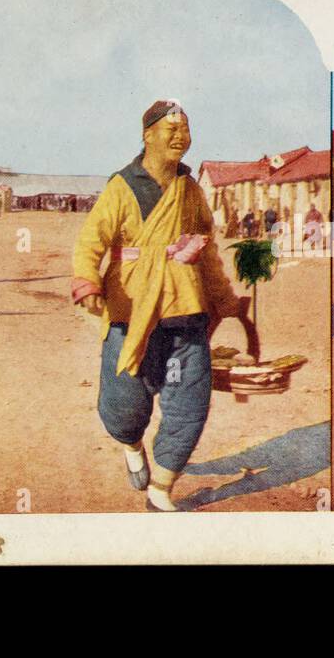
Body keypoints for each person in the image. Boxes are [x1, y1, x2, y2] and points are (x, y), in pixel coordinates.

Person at [71, 100, 247, 512]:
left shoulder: (191, 190)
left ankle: (161, 489)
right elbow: (90, 241)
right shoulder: (122, 186)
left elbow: (207, 251)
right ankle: (132, 447)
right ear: (147, 134)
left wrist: (224, 298)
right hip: (129, 313)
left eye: (185, 128)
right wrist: (88, 281)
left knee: (190, 404)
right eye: (170, 129)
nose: (179, 136)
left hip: (185, 312)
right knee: (124, 407)